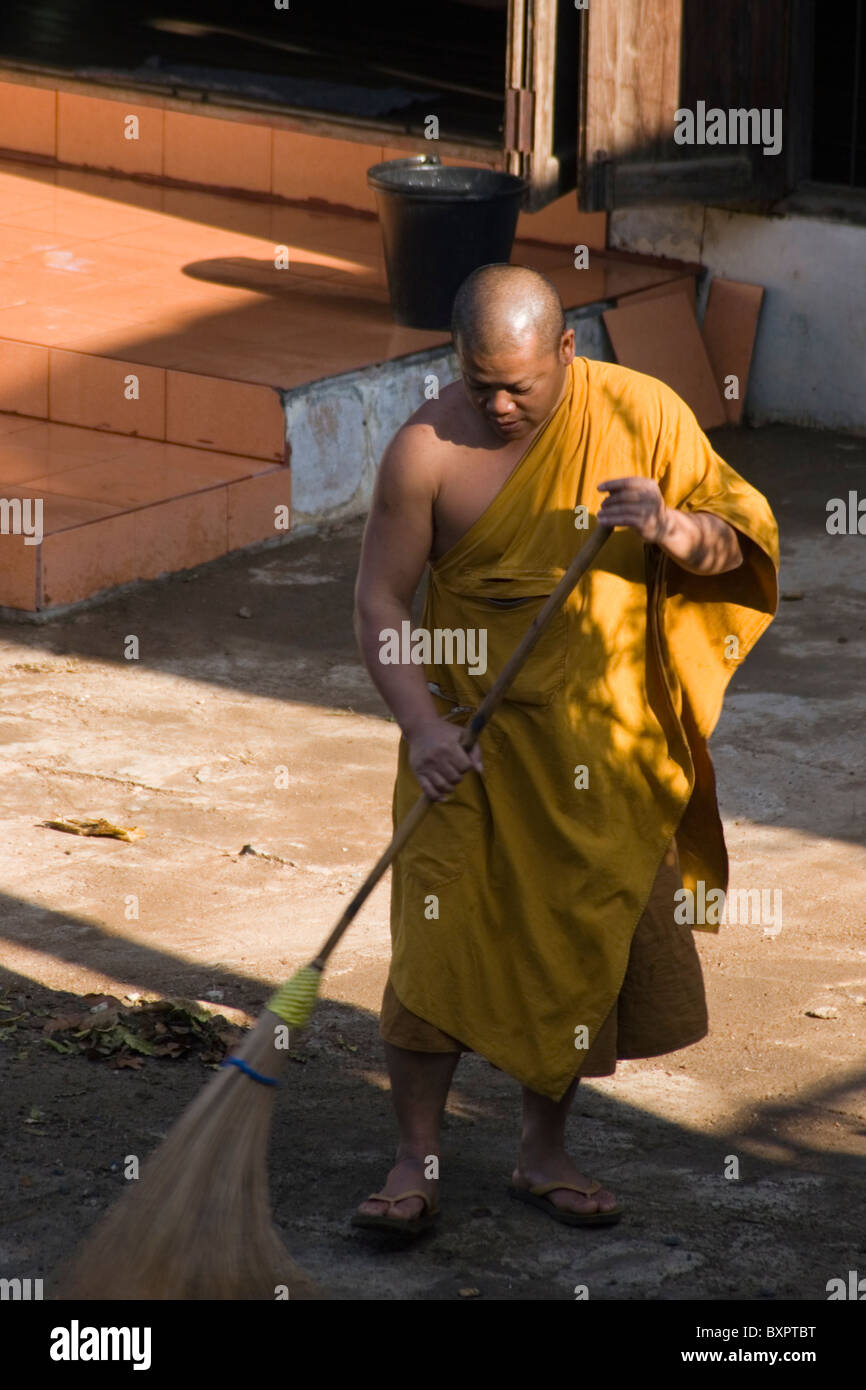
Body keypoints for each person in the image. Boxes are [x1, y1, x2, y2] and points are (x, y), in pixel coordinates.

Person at [351, 263, 779, 1234]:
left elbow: (739, 545)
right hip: (466, 745)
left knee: (575, 950)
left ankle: (541, 1148)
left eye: (519, 384)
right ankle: (413, 1156)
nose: (498, 404)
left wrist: (669, 528)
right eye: (478, 382)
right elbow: (379, 603)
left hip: (602, 750)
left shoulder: (642, 417)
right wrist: (419, 725)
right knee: (432, 954)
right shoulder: (424, 451)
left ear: (566, 351)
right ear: (452, 362)